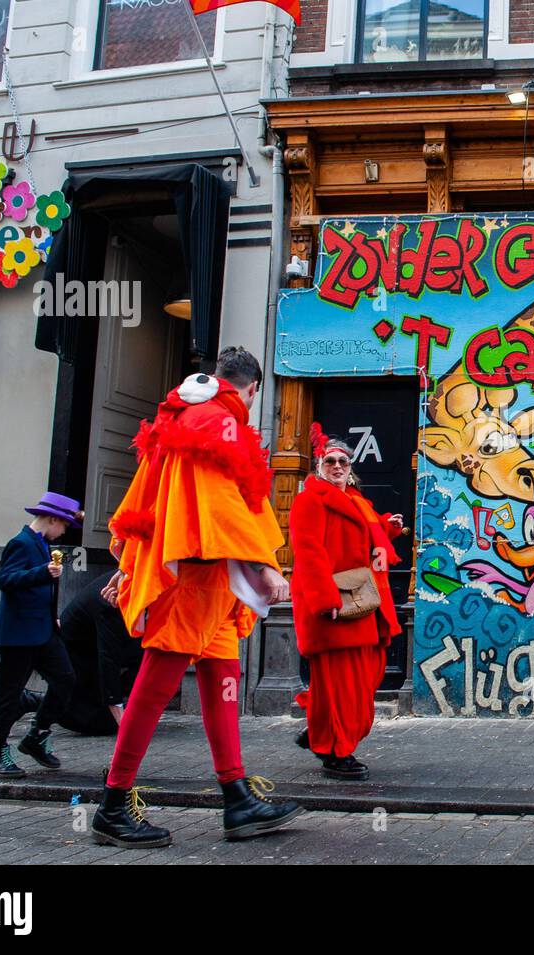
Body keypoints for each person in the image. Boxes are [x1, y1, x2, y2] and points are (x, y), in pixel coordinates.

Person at [93, 346, 302, 849]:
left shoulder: (186, 415)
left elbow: (150, 498)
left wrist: (130, 563)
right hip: (197, 574)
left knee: (222, 677)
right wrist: (263, 563)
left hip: (207, 576)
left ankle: (237, 797)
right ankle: (112, 805)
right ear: (252, 389)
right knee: (156, 684)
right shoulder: (219, 420)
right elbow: (218, 501)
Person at [290, 427, 404, 780]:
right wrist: (325, 600)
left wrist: (387, 528)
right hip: (336, 606)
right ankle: (335, 750)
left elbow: (364, 535)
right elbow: (308, 551)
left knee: (365, 677)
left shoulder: (356, 501)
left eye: (343, 461)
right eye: (330, 461)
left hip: (362, 602)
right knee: (341, 685)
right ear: (319, 466)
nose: (337, 466)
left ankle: (320, 728)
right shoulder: (310, 500)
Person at [0, 492, 81, 778]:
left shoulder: (42, 543)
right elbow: (6, 580)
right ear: (52, 519)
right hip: (19, 633)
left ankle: (37, 735)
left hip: (44, 630)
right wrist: (43, 572)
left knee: (66, 679)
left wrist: (52, 615)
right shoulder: (21, 543)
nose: (63, 531)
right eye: (64, 525)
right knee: (9, 692)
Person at [55, 574, 143, 736]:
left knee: (155, 657)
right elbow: (108, 657)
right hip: (79, 651)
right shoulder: (112, 600)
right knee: (101, 723)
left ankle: (108, 701)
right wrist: (120, 717)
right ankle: (37, 701)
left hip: (110, 644)